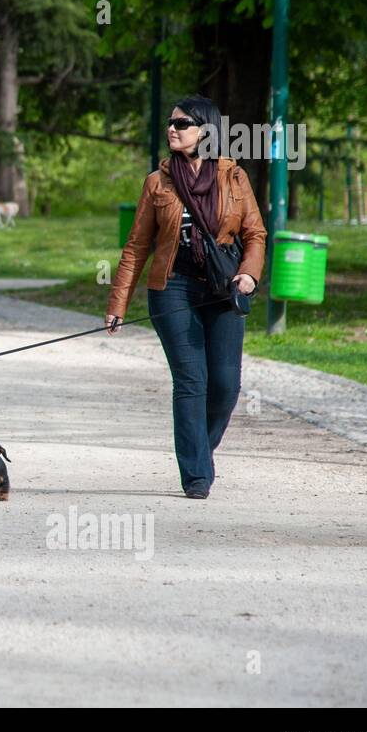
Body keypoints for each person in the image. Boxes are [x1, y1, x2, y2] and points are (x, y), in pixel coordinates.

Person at [105, 95, 267, 500]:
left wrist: (248, 273)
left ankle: (200, 451)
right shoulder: (157, 181)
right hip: (172, 285)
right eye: (170, 123)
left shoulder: (233, 176)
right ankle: (196, 475)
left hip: (222, 286)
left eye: (182, 124)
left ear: (206, 131)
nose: (172, 129)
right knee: (192, 381)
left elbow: (255, 234)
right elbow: (136, 247)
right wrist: (118, 304)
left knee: (226, 385)